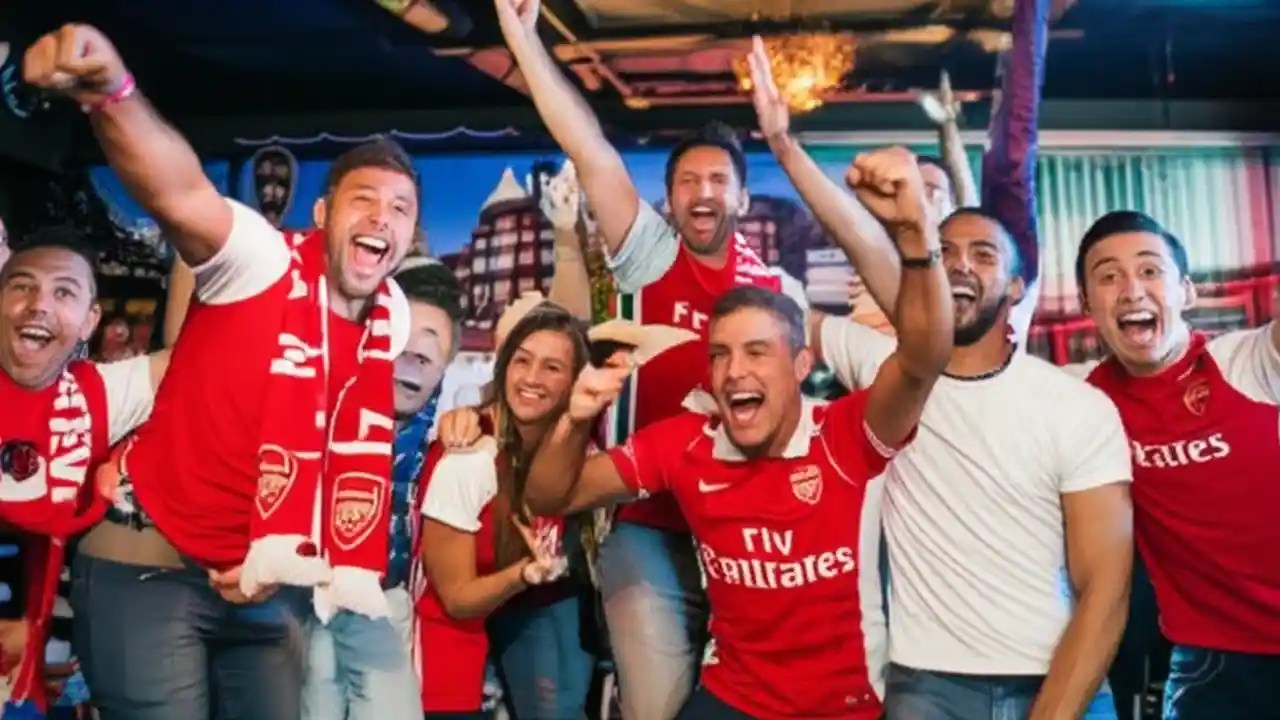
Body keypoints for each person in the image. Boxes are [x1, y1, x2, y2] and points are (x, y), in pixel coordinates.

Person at [25, 23, 416, 720]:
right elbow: (179, 195)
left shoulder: (392, 323)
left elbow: (338, 468)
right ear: (323, 215)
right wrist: (112, 94)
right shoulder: (263, 262)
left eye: (400, 209)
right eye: (364, 199)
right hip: (150, 564)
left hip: (267, 585)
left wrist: (285, 560)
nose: (381, 216)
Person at [749, 42, 1133, 720]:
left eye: (983, 256)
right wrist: (783, 147)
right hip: (928, 686)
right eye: (944, 252)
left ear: (1016, 288)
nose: (959, 266)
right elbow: (857, 263)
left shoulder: (1075, 407)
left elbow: (1106, 586)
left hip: (1059, 680)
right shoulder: (888, 368)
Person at [518, 145, 953, 718]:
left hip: (841, 707)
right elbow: (547, 495)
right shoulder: (686, 441)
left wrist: (917, 233)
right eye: (719, 354)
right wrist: (575, 420)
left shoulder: (844, 435)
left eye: (756, 351)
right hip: (734, 700)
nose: (735, 370)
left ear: (800, 366)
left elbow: (923, 357)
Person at [493, 1, 788, 713]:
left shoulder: (776, 296)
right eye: (688, 181)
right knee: (658, 704)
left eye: (719, 180)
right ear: (670, 198)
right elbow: (589, 145)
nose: (703, 192)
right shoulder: (650, 257)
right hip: (644, 525)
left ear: (743, 199)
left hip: (746, 532)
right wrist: (524, 42)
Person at [1073, 210, 1280, 719]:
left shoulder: (1249, 361)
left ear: (1186, 291)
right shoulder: (1082, 400)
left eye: (1149, 270)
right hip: (1212, 664)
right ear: (1087, 305)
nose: (1130, 289)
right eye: (1108, 276)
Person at [0, 229, 164, 716]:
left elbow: (201, 359)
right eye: (21, 286)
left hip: (41, 672)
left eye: (63, 292)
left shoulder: (104, 394)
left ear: (92, 320)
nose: (39, 305)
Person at [303, 258, 464, 720]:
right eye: (402, 338)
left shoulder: (446, 436)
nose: (413, 355)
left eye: (431, 347)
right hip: (307, 599)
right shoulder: (315, 409)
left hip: (383, 601)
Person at [415, 302, 593, 718]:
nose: (532, 378)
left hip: (533, 601)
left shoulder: (585, 440)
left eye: (552, 367)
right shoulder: (469, 453)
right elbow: (456, 600)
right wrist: (524, 573)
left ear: (575, 381)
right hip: (451, 627)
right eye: (522, 361)